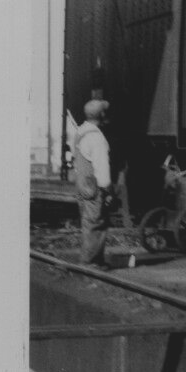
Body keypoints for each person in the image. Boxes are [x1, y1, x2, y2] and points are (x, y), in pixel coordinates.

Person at [73, 99, 114, 268]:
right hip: (93, 185)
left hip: (82, 183)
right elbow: (102, 168)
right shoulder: (97, 138)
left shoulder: (80, 131)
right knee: (96, 222)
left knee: (88, 222)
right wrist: (108, 190)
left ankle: (92, 259)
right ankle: (90, 262)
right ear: (102, 115)